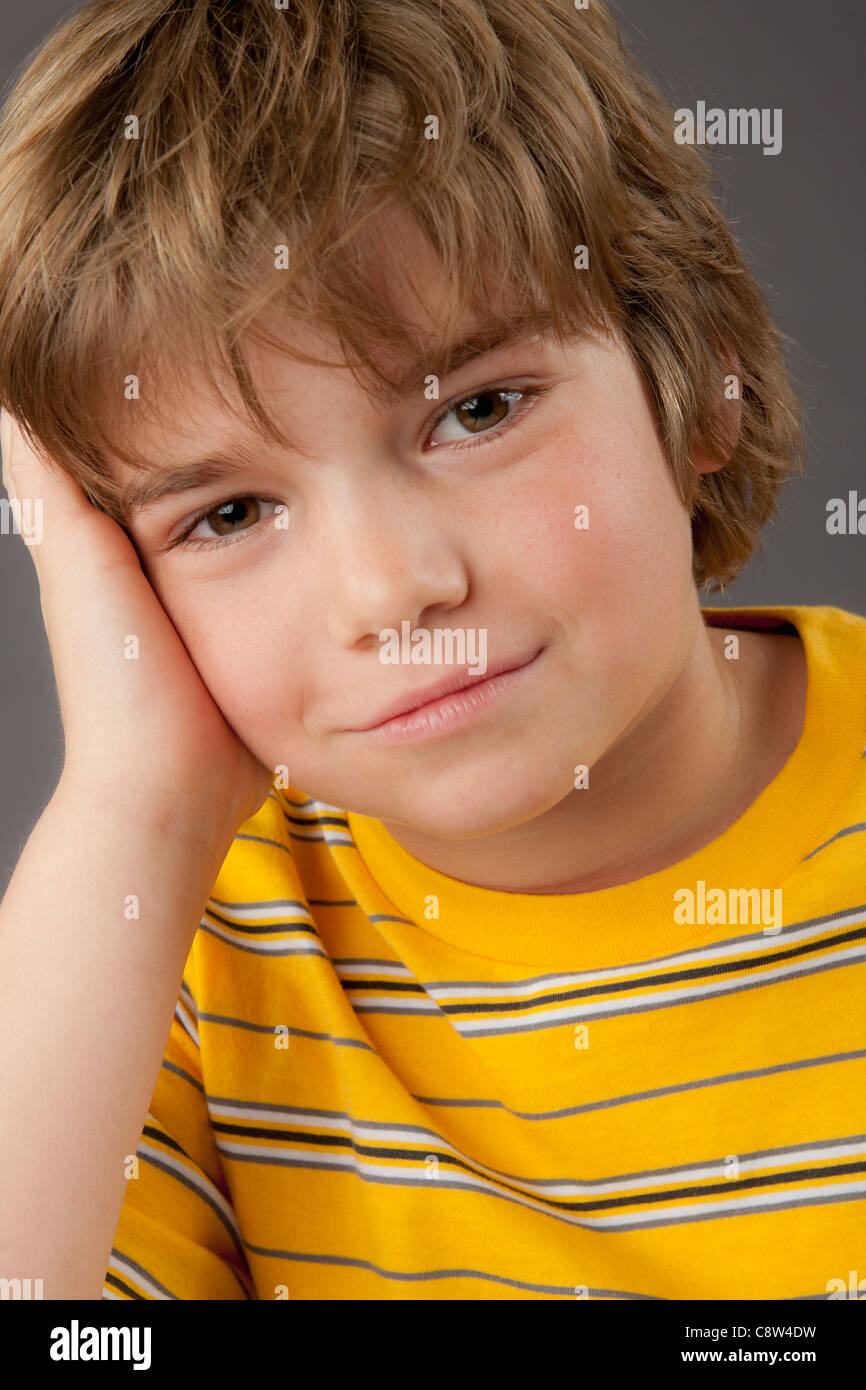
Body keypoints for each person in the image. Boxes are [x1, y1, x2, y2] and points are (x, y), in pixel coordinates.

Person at [0, 0, 863, 1302]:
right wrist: (131, 804)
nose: (391, 587)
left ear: (699, 382)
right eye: (228, 512)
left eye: (477, 410)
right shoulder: (166, 949)